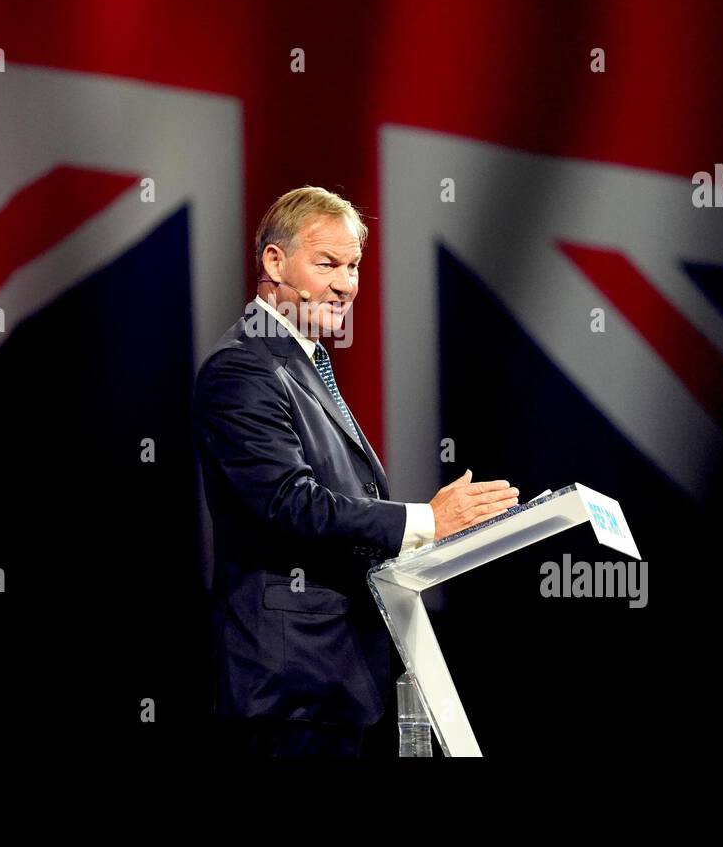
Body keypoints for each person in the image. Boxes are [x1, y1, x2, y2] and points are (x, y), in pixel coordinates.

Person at [193, 185, 519, 757]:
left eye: (353, 266)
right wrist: (426, 520)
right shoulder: (243, 367)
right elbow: (289, 503)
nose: (346, 284)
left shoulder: (303, 364)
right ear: (274, 260)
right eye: (327, 264)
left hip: (336, 682)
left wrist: (431, 538)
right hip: (289, 688)